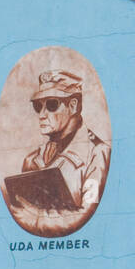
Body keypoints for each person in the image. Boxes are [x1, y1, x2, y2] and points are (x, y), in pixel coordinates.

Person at [10, 69, 110, 236]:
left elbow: (87, 214)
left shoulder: (97, 153)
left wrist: (35, 219)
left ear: (73, 106)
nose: (42, 115)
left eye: (51, 105)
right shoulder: (32, 160)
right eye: (38, 106)